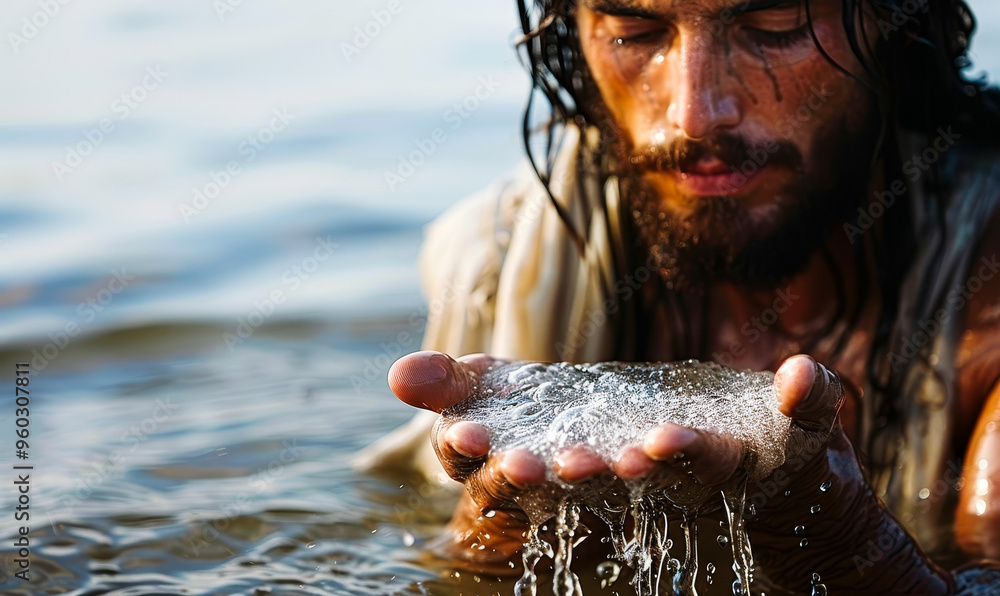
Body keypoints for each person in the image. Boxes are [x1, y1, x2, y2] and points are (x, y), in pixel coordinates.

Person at [357, 0, 1000, 592]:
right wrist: (504, 530)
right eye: (635, 32)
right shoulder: (501, 256)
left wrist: (842, 547)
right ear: (573, 37)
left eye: (776, 27)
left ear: (892, 23)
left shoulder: (986, 291)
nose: (694, 112)